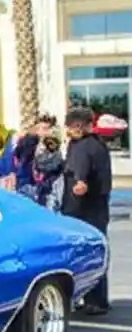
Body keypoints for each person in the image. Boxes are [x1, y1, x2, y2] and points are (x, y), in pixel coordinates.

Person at [61, 107, 112, 316]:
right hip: (98, 208)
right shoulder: (98, 144)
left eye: (69, 126)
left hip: (83, 211)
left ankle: (94, 300)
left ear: (78, 126)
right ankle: (97, 299)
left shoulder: (82, 146)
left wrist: (80, 182)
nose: (66, 130)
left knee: (85, 255)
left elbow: (81, 171)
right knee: (96, 253)